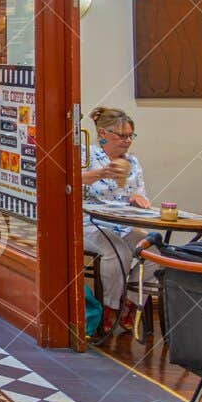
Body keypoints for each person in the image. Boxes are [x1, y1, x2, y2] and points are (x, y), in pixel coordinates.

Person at [81, 106, 150, 338]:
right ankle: (110, 308)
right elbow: (67, 180)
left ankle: (129, 304)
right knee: (118, 251)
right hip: (90, 223)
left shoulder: (133, 163)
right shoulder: (86, 155)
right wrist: (100, 174)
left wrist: (138, 198)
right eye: (121, 136)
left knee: (156, 252)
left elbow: (141, 195)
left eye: (131, 135)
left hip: (123, 223)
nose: (127, 141)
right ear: (102, 133)